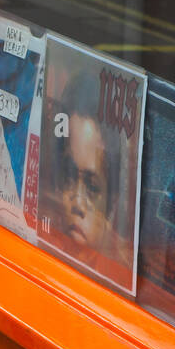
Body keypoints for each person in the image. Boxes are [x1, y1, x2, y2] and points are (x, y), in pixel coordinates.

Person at [42, 69, 134, 289]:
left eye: (92, 187)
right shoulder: (45, 242)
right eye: (69, 178)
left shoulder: (121, 277)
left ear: (112, 200)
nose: (78, 204)